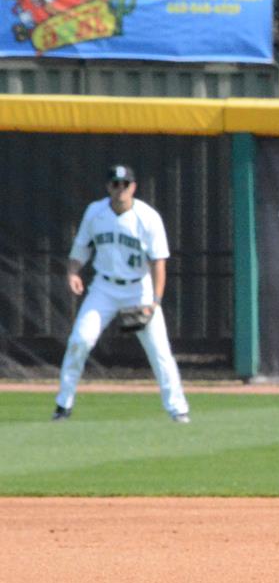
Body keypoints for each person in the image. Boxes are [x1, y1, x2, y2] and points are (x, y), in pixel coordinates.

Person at [53, 164, 190, 423]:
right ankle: (63, 405)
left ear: (134, 187)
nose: (120, 189)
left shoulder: (148, 217)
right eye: (115, 184)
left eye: (125, 184)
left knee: (160, 352)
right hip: (103, 288)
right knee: (79, 341)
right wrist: (73, 272)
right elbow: (81, 247)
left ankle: (178, 409)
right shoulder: (95, 212)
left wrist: (155, 302)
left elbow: (159, 262)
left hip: (139, 289)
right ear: (108, 187)